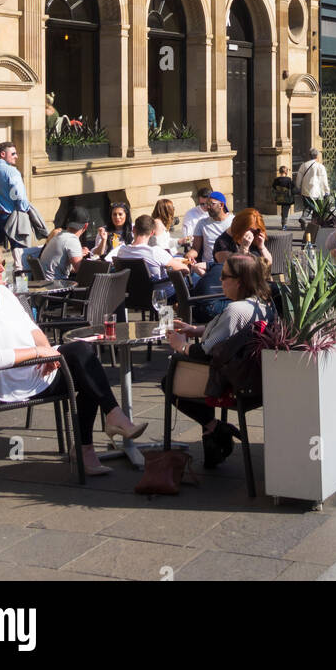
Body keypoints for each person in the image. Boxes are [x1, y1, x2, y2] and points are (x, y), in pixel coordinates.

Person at [0, 240, 146, 476]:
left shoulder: (4, 293)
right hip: (17, 382)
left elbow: (33, 329)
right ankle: (103, 428)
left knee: (86, 366)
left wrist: (49, 354)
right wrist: (41, 353)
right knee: (84, 361)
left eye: (2, 263)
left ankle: (100, 432)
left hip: (36, 368)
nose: (1, 269)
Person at [166, 253, 273, 468]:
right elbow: (227, 331)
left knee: (168, 380)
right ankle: (213, 431)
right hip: (254, 378)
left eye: (224, 276)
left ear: (239, 281)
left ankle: (214, 426)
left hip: (228, 381)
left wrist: (181, 346)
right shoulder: (263, 304)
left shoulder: (234, 309)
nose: (219, 281)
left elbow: (204, 351)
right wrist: (193, 329)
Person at [114, 214, 199, 297]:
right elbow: (185, 270)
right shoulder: (155, 252)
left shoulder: (122, 251)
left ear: (133, 229)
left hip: (133, 295)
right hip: (159, 295)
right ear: (152, 233)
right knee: (196, 277)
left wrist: (174, 261)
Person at [0, 142, 36, 257]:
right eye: (13, 153)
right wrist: (24, 209)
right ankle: (21, 275)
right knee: (20, 252)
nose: (16, 156)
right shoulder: (12, 172)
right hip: (10, 216)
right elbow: (20, 196)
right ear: (3, 154)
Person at [38, 207, 96, 281]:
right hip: (56, 286)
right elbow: (81, 270)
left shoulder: (59, 235)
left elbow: (69, 268)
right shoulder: (72, 240)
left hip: (46, 284)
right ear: (86, 226)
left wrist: (78, 254)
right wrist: (97, 266)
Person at [186, 191, 233, 267]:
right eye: (206, 204)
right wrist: (190, 254)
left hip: (229, 264)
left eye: (211, 204)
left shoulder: (234, 222)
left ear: (221, 205)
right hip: (208, 265)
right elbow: (195, 248)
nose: (207, 207)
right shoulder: (201, 223)